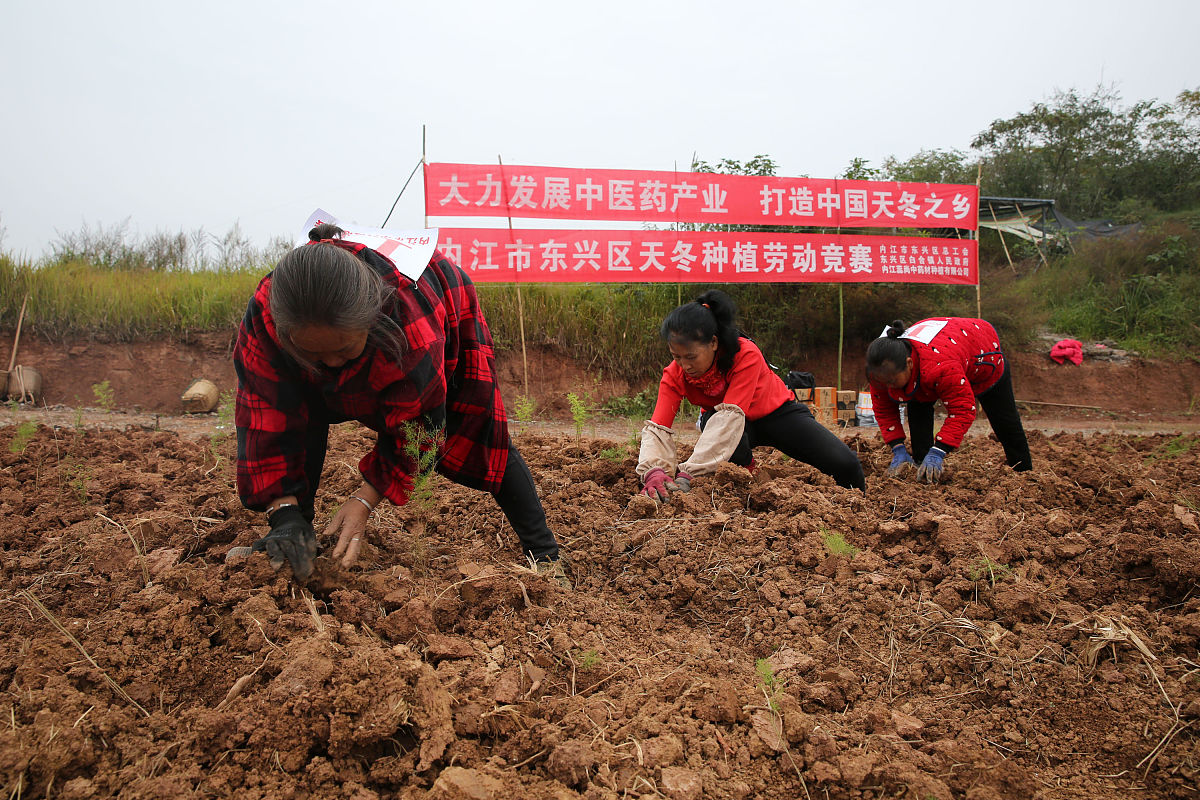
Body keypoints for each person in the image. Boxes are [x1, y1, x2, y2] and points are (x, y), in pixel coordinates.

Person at [233, 223, 567, 586]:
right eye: (313, 354)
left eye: (343, 351)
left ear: (371, 320)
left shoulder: (408, 325)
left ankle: (545, 554)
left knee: (478, 431)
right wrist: (283, 512)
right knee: (302, 408)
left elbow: (420, 429)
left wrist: (364, 500)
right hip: (337, 342)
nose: (330, 364)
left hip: (441, 305)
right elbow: (265, 413)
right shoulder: (267, 314)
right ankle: (297, 530)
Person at [635, 290, 865, 497]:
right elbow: (658, 429)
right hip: (729, 425)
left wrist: (689, 474)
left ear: (713, 343)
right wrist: (655, 471)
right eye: (677, 356)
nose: (684, 365)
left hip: (777, 414)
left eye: (691, 356)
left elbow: (732, 415)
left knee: (845, 464)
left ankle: (860, 505)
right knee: (715, 425)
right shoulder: (675, 374)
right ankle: (746, 475)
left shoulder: (745, 354)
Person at [866, 317, 1032, 482]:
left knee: (1004, 420)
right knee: (917, 402)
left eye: (892, 381)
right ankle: (921, 466)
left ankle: (1023, 472)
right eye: (883, 382)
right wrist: (897, 447)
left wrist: (939, 450)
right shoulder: (880, 373)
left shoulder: (941, 367)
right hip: (940, 353)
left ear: (909, 364)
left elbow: (963, 410)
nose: (888, 386)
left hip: (983, 355)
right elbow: (884, 410)